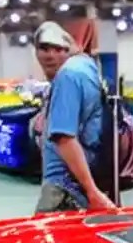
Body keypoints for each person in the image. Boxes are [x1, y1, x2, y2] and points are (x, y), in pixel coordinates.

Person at [33, 21, 113, 213]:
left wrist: (92, 191)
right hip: (83, 183)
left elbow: (64, 138)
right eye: (44, 48)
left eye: (59, 48)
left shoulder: (68, 76)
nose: (50, 56)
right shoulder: (89, 69)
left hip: (64, 189)